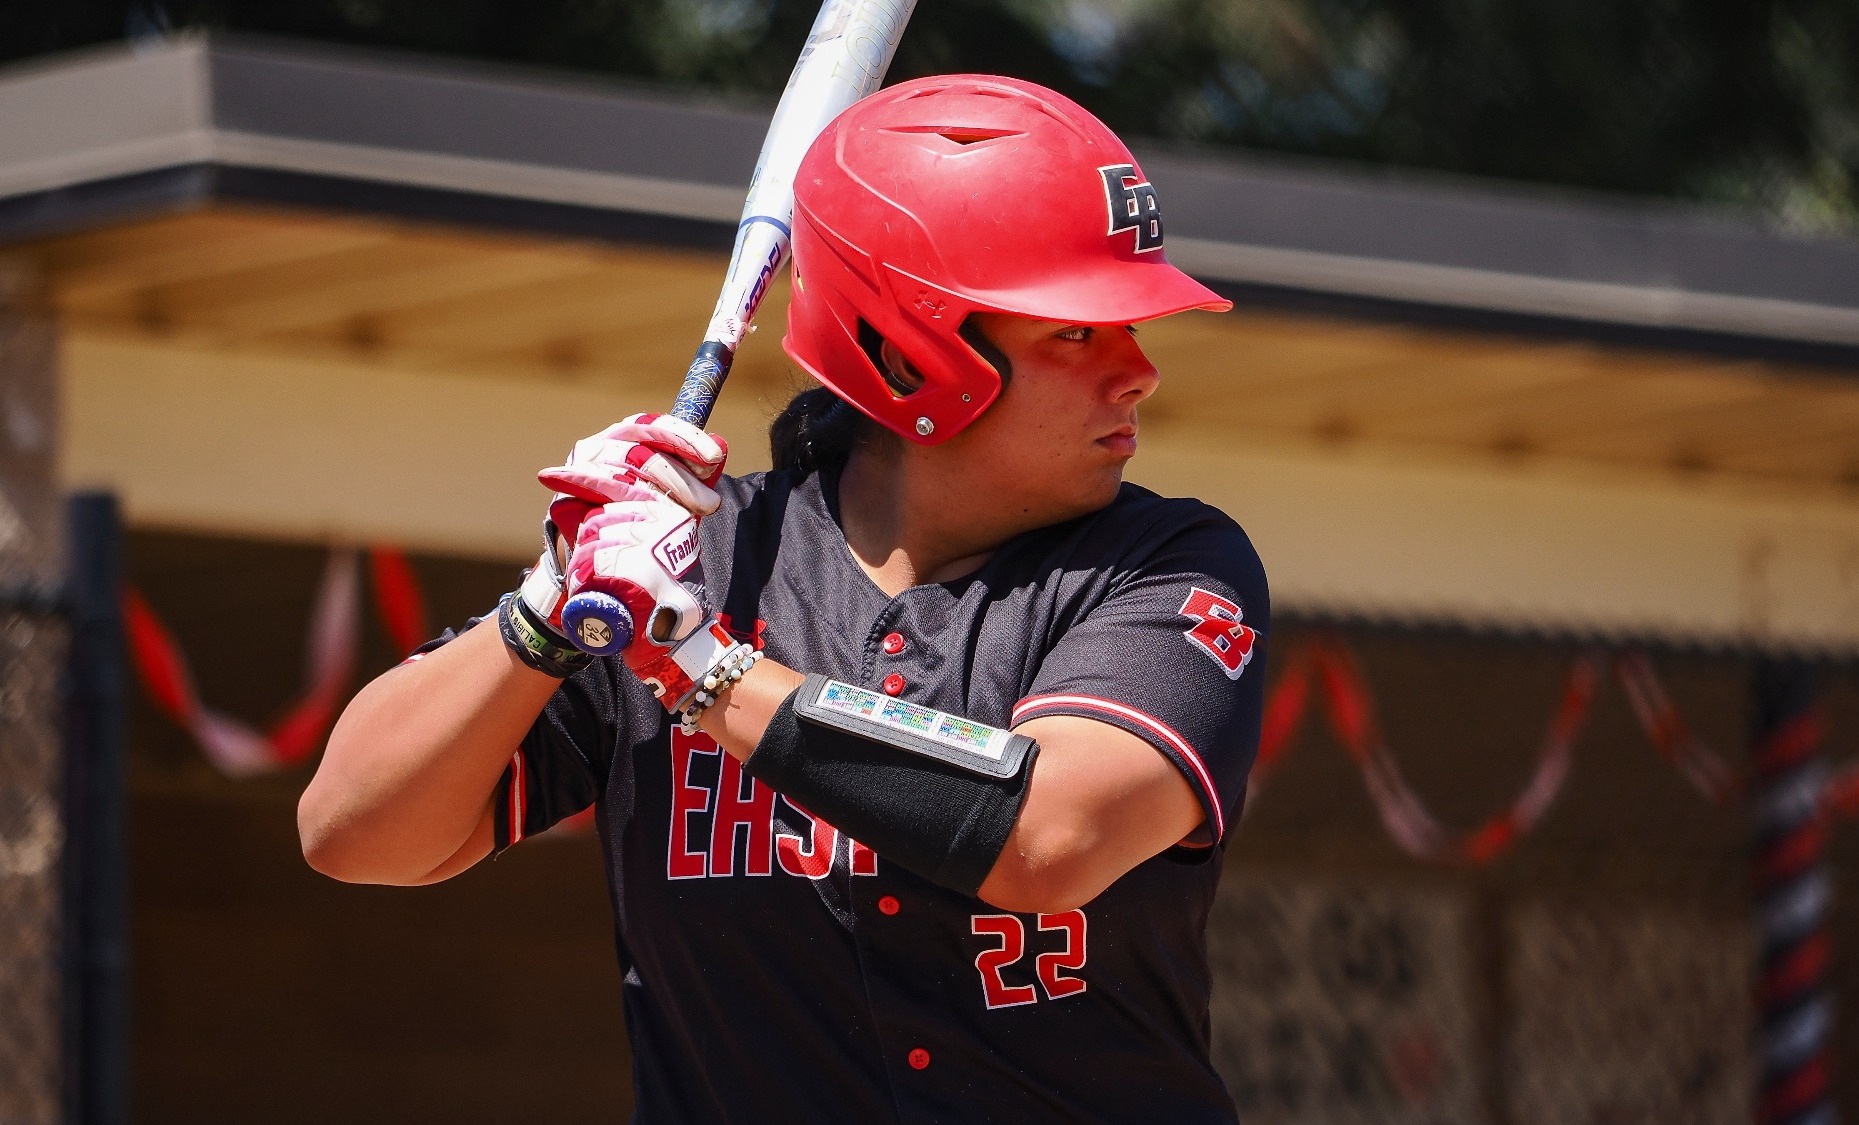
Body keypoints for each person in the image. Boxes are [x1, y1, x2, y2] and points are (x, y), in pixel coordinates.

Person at [299, 73, 1269, 1124]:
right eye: (1075, 333)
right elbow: (354, 832)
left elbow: (1049, 836)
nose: (1137, 372)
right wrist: (547, 604)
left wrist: (695, 660)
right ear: (909, 356)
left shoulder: (1168, 565)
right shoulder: (700, 561)